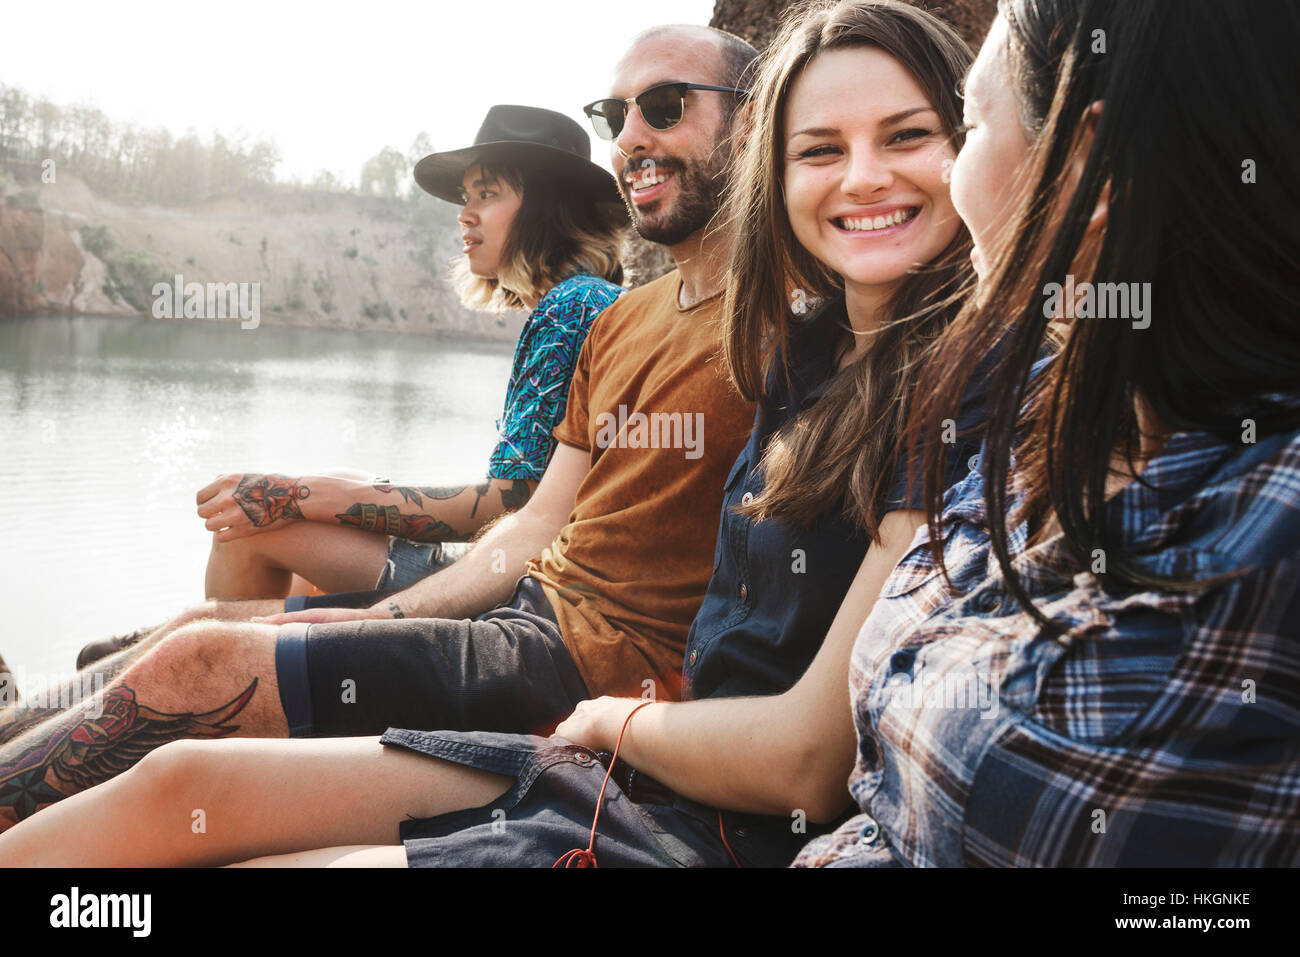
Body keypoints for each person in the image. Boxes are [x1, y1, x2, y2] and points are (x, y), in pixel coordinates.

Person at [0, 0, 990, 866]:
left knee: (200, 666)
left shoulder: (796, 321)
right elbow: (534, 523)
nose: (633, 132)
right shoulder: (624, 320)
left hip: (603, 672)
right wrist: (383, 617)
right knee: (197, 656)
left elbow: (514, 509)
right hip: (533, 612)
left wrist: (324, 498)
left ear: (751, 134)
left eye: (664, 104)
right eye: (616, 115)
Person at [792, 0, 1300, 866]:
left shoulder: (1265, 536)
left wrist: (620, 721)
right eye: (819, 148)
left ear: (1089, 173)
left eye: (967, 124)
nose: (880, 178)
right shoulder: (1048, 394)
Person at [72, 105, 627, 670]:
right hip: (534, 570)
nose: (464, 215)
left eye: (486, 195)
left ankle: (211, 667)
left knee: (255, 525)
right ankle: (191, 646)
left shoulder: (570, 307)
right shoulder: (589, 299)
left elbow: (513, 500)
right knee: (340, 486)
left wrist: (296, 492)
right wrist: (322, 492)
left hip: (522, 590)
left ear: (545, 208)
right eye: (465, 196)